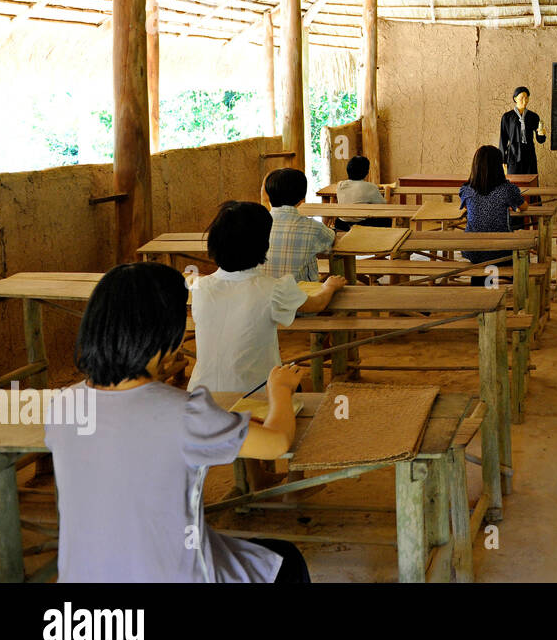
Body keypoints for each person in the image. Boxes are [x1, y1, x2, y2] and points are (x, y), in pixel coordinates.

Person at [45, 262, 312, 582]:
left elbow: (127, 432)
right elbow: (277, 441)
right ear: (165, 333)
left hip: (88, 582)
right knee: (287, 561)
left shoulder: (62, 406)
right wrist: (279, 391)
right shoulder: (187, 414)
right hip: (170, 575)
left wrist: (154, 379)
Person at [188, 200, 344, 396]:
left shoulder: (200, 287)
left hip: (200, 393)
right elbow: (318, 304)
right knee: (293, 382)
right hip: (253, 395)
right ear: (263, 244)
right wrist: (329, 286)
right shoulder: (275, 289)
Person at [459, 144, 527, 285]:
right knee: (519, 253)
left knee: (483, 262)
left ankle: (482, 293)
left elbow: (467, 206)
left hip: (473, 250)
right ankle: (517, 288)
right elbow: (523, 206)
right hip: (502, 250)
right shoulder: (507, 189)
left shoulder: (466, 189)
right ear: (498, 167)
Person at [262, 167, 335, 282]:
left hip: (263, 294)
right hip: (303, 295)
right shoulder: (313, 227)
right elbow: (331, 240)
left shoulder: (256, 225)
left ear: (269, 196)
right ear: (302, 198)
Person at [499, 86, 547, 176]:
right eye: (521, 98)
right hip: (513, 155)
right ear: (515, 99)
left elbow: (540, 140)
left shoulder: (533, 116)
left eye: (526, 98)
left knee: (530, 183)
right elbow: (503, 139)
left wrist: (541, 134)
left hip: (529, 154)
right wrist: (502, 160)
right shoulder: (507, 117)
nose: (524, 101)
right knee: (513, 183)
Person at [334, 155, 389, 233]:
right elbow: (383, 206)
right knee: (386, 219)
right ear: (366, 172)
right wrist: (387, 191)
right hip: (361, 225)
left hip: (341, 224)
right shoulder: (370, 187)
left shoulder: (340, 185)